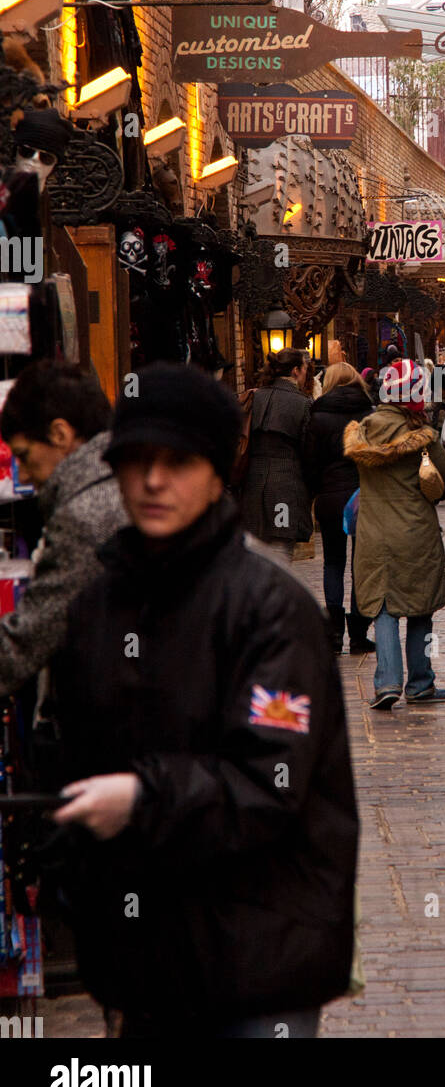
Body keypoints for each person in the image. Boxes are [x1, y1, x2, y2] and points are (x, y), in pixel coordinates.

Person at [51, 363, 358, 1039]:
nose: (153, 481)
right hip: (144, 959)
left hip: (254, 958)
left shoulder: (272, 612)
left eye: (177, 461)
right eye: (136, 461)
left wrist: (141, 799)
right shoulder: (98, 606)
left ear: (219, 470)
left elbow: (271, 780)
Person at [0, 361, 127, 697]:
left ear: (60, 434)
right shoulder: (118, 482)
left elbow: (25, 642)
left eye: (25, 456)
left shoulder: (85, 516)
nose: (23, 476)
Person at [344, 359, 445, 710]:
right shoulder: (423, 435)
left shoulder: (362, 431)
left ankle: (387, 682)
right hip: (415, 533)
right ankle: (420, 682)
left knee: (384, 606)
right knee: (421, 608)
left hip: (373, 532)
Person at [305, 361, 374, 654]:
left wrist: (315, 490)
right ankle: (359, 632)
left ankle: (334, 633)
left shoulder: (317, 415)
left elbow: (309, 460)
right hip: (363, 495)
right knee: (362, 564)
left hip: (331, 496)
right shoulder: (369, 412)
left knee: (333, 561)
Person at [239, 348, 313, 563]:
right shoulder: (303, 403)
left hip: (253, 486)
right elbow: (309, 452)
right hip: (286, 489)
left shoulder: (255, 397)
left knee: (257, 552)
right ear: (296, 371)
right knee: (281, 549)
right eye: (305, 369)